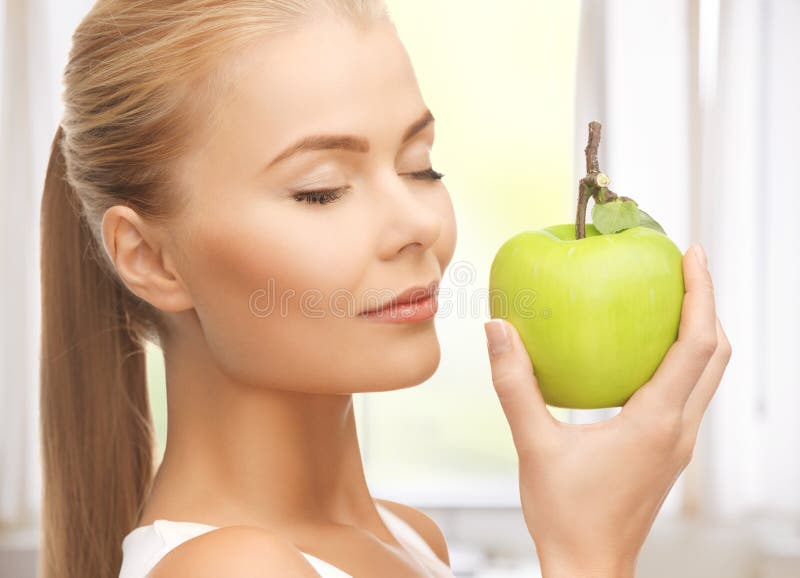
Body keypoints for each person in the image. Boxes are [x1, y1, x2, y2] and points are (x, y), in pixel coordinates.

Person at [38, 1, 732, 577]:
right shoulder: (231, 567)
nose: (417, 223)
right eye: (321, 191)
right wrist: (589, 552)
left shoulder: (410, 540)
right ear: (152, 258)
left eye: (419, 166)